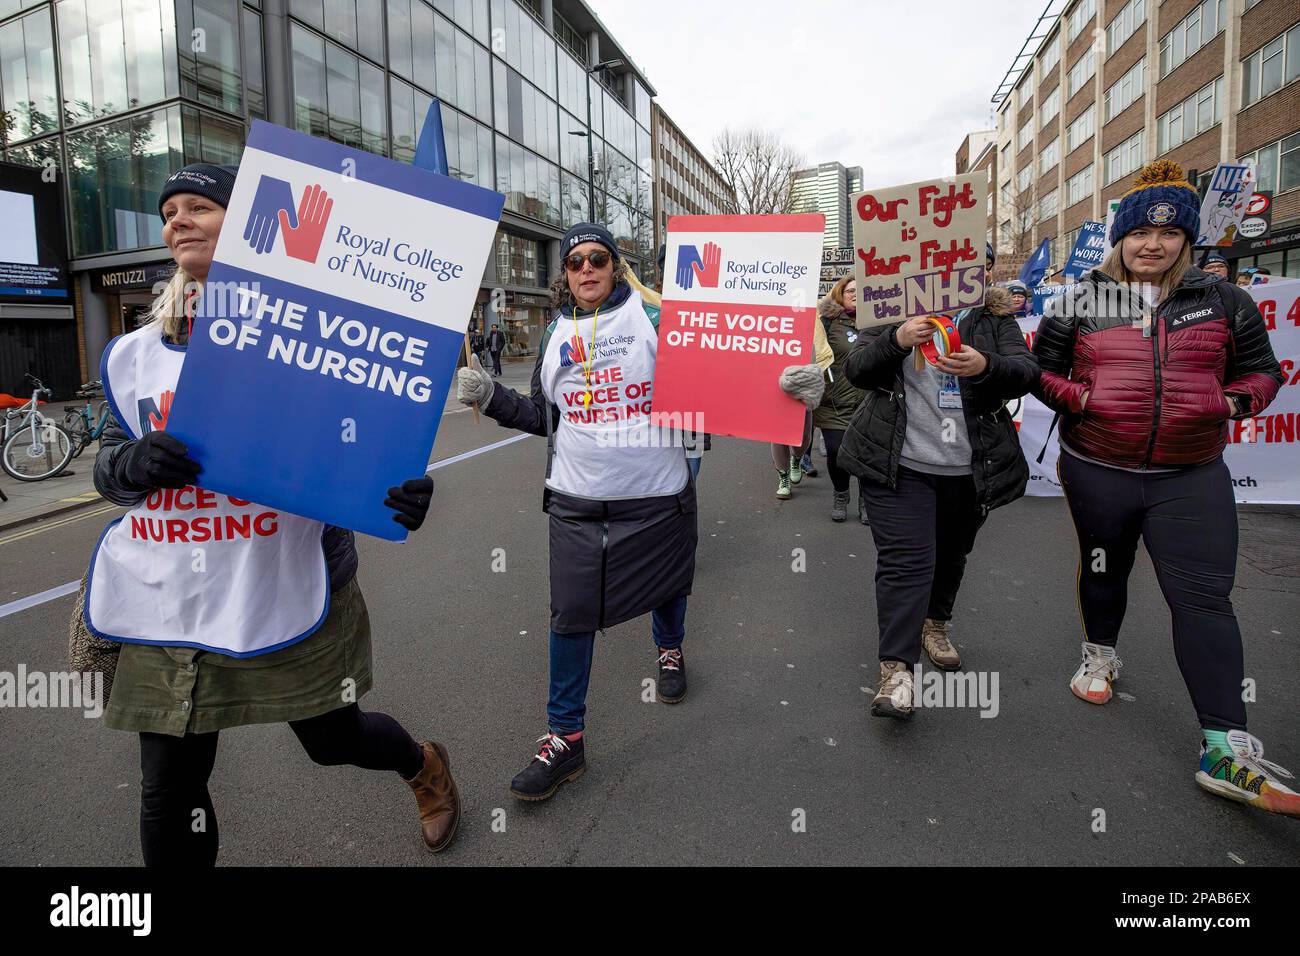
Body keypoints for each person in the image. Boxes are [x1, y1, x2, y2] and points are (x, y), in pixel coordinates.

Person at [82, 163, 456, 865]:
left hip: (283, 580)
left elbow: (360, 443)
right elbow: (110, 463)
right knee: (169, 789)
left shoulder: (311, 339)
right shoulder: (134, 354)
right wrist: (128, 467)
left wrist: (393, 491)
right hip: (172, 600)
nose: (177, 220)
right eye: (169, 212)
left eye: (200, 206)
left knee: (333, 742)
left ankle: (423, 764)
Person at [456, 222, 821, 800]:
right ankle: (564, 738)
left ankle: (669, 647)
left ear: (616, 264)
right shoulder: (555, 331)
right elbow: (544, 417)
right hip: (577, 500)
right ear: (566, 276)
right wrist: (491, 398)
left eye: (597, 258)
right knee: (570, 615)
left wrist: (788, 389)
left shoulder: (656, 321)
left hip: (655, 494)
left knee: (668, 585)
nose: (586, 269)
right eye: (575, 262)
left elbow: (724, 380)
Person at [1033, 159, 1298, 818]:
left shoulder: (1223, 300)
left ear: (1186, 239)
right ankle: (1099, 655)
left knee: (1205, 599)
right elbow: (1038, 373)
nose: (1153, 244)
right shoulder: (1080, 301)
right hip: (1099, 468)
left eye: (1170, 233)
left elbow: (1263, 372)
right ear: (1121, 237)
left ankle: (1224, 748)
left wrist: (1236, 402)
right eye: (1140, 233)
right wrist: (1086, 396)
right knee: (1104, 570)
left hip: (1191, 474)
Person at [839, 283, 1038, 717]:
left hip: (970, 468)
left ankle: (935, 623)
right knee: (906, 561)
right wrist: (896, 340)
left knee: (950, 555)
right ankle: (897, 672)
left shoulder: (992, 317)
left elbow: (1026, 372)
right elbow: (855, 370)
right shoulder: (889, 307)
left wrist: (986, 365)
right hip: (900, 465)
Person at [813, 275, 869, 523]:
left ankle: (866, 499)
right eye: (850, 290)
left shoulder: (878, 321)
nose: (856, 294)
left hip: (870, 402)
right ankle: (841, 493)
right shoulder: (827, 322)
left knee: (868, 453)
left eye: (860, 290)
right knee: (836, 451)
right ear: (840, 294)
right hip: (834, 402)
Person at [771, 312, 834, 499]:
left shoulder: (810, 313)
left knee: (804, 434)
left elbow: (820, 346)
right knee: (776, 433)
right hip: (774, 380)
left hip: (803, 380)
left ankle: (797, 458)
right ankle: (783, 476)